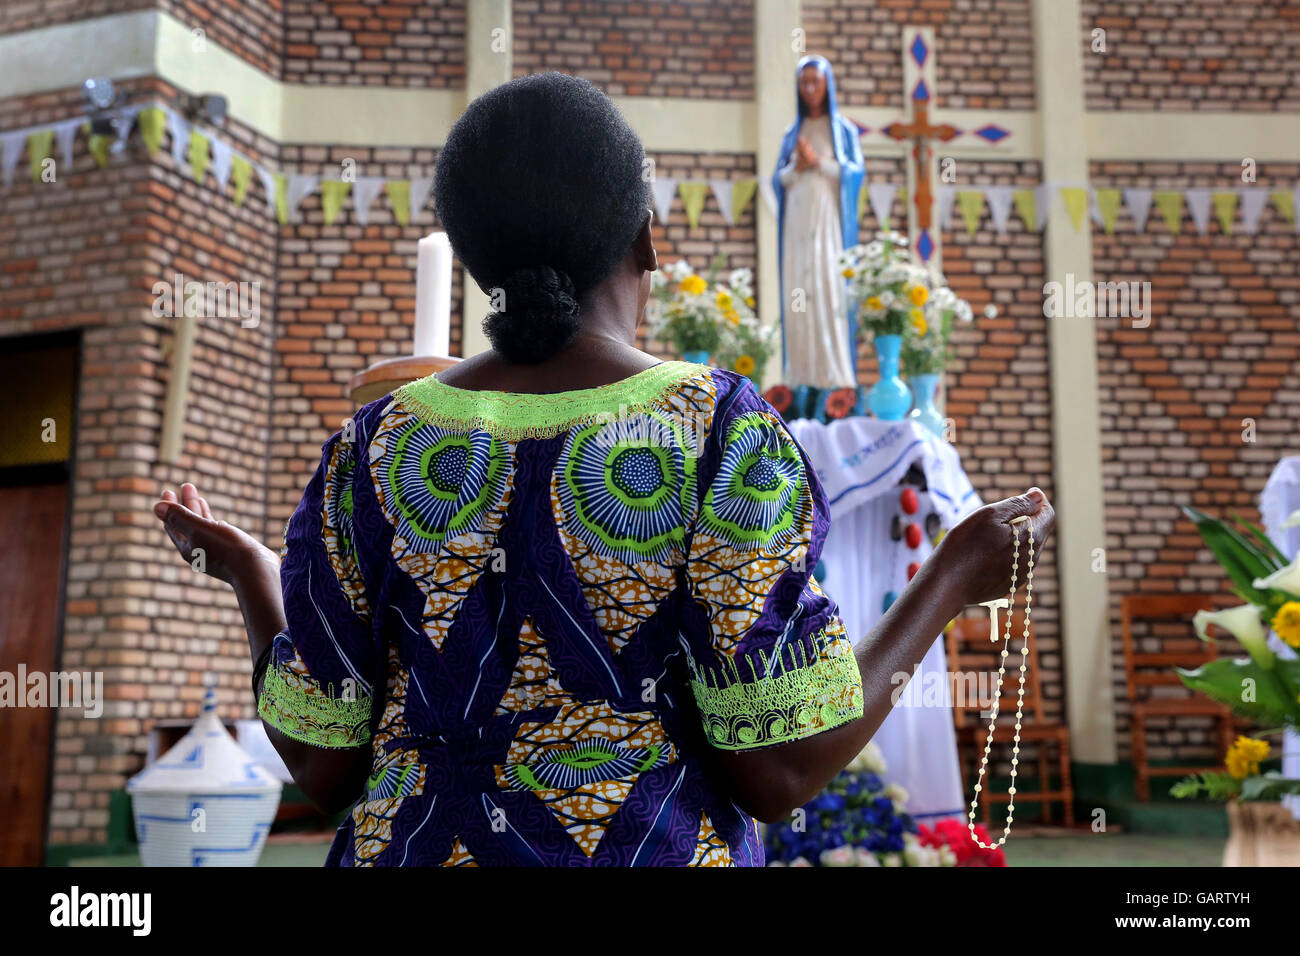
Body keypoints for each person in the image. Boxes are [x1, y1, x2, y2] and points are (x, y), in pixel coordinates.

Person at [153, 71, 1054, 866]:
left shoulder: (373, 445)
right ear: (648, 238)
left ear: (469, 264)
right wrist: (950, 579)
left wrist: (250, 573)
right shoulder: (716, 429)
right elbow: (777, 769)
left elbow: (322, 770)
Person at [772, 55, 864, 389]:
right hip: (797, 223)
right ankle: (799, 377)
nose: (810, 89)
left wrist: (819, 164)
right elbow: (777, 180)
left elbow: (854, 174)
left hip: (828, 224)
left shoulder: (843, 131)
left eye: (816, 82)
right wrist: (796, 168)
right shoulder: (791, 133)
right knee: (799, 288)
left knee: (828, 287)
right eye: (804, 82)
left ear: (827, 86)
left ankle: (834, 378)